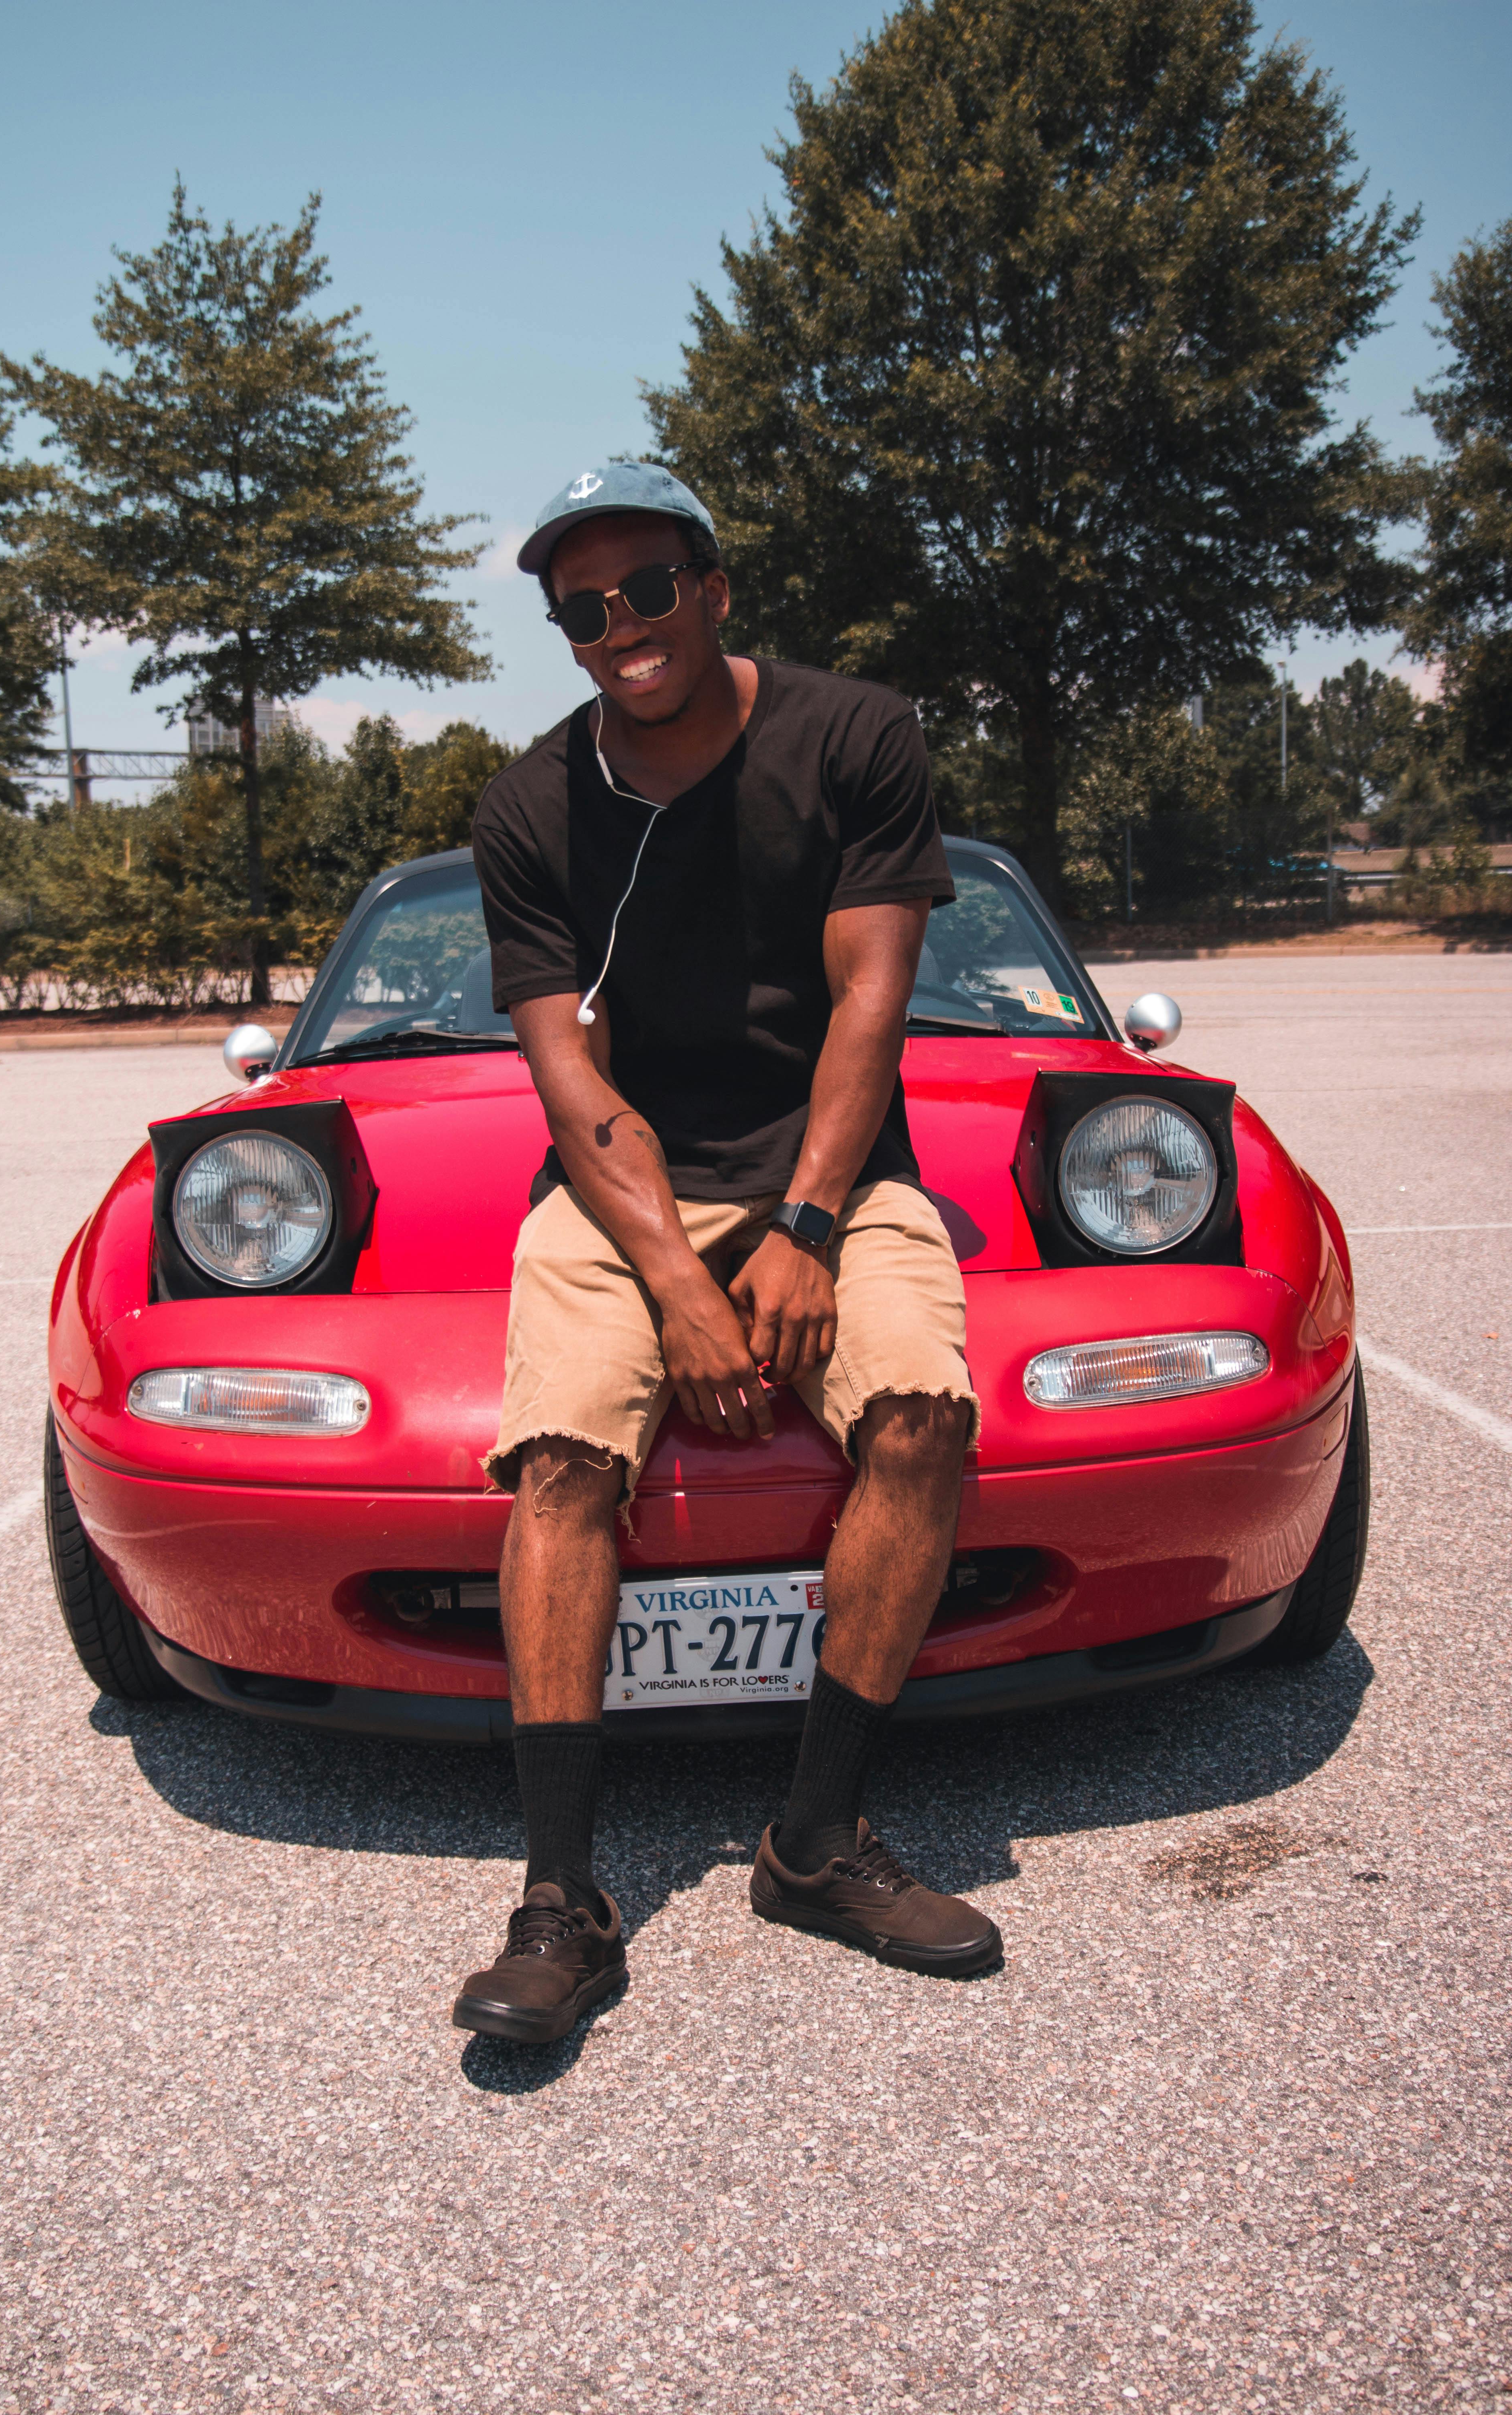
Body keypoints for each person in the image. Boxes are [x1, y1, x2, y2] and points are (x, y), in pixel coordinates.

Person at [451, 462, 1001, 2045]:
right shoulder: (527, 808)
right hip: (623, 1189)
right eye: (581, 609)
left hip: (835, 1166)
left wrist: (810, 1226)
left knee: (921, 1419)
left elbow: (871, 998)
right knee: (561, 1463)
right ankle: (562, 1899)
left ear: (713, 589)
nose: (617, 625)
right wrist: (686, 1290)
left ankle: (814, 1842)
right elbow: (569, 1078)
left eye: (644, 588)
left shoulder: (856, 735)